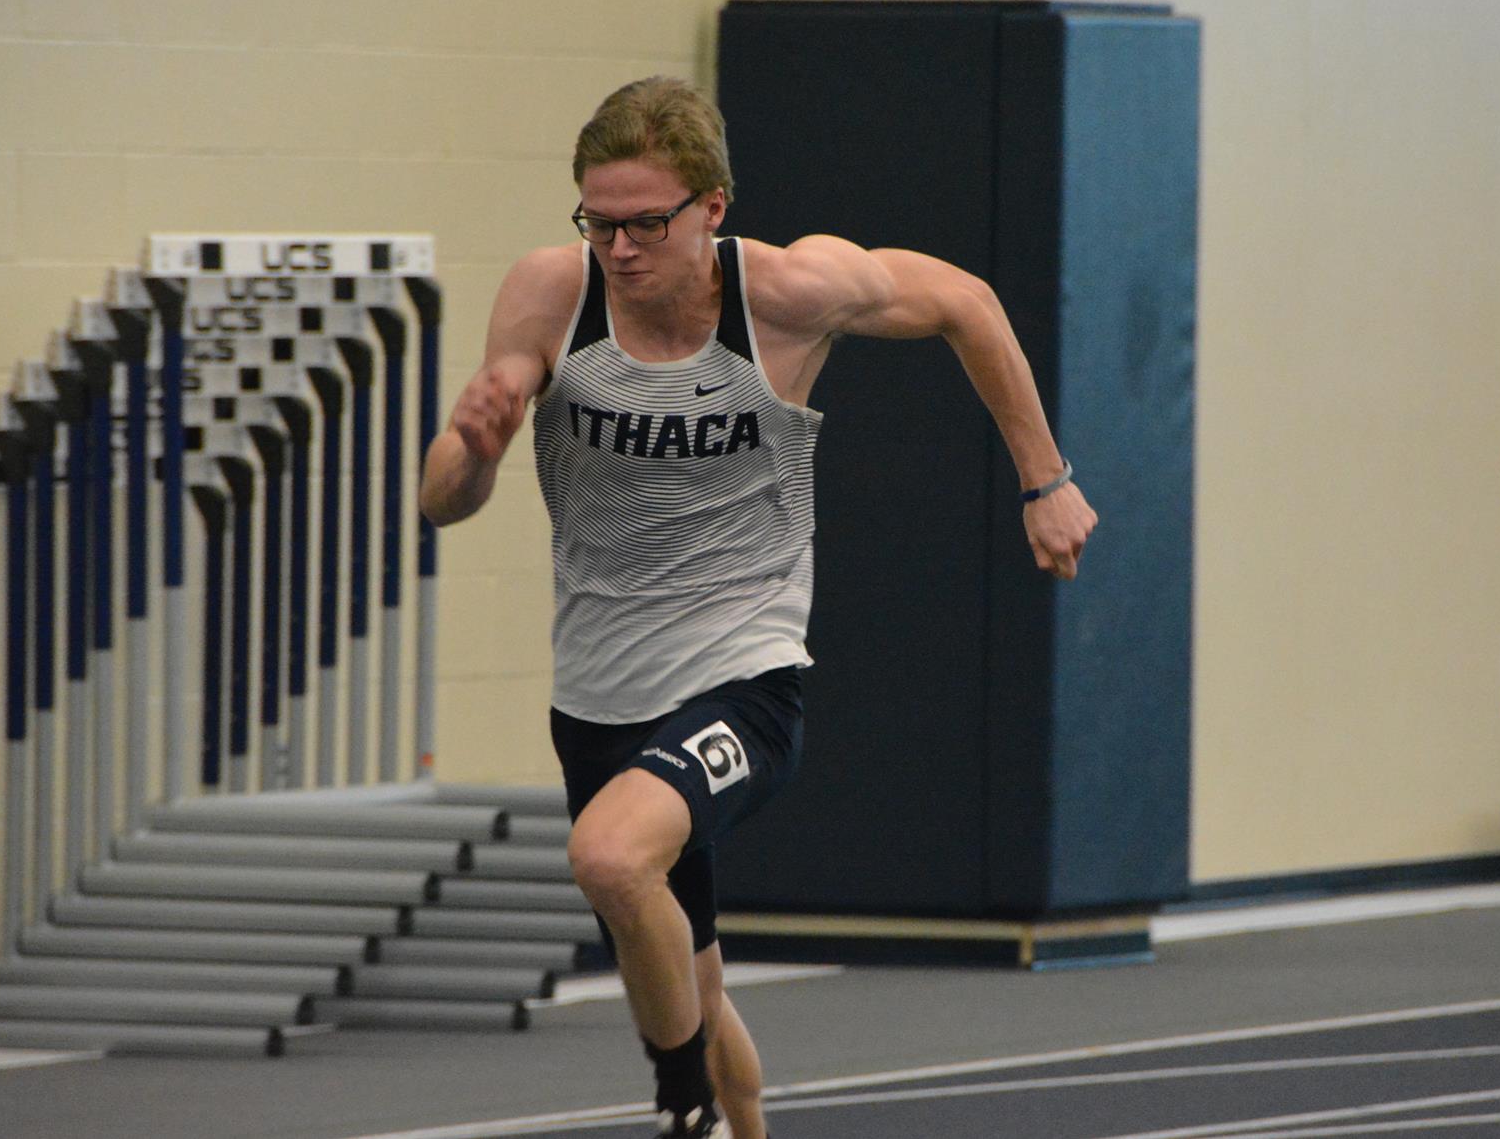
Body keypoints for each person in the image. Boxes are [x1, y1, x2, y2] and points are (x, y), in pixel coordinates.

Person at [420, 76, 1096, 1139]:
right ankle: (733, 1116)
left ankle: (679, 1105)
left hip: (745, 677)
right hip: (598, 697)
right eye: (599, 222)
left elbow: (965, 301)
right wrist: (475, 445)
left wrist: (1044, 480)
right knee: (699, 981)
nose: (620, 248)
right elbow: (441, 503)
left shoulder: (787, 294)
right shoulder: (550, 296)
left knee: (607, 857)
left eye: (647, 223)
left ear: (713, 208)